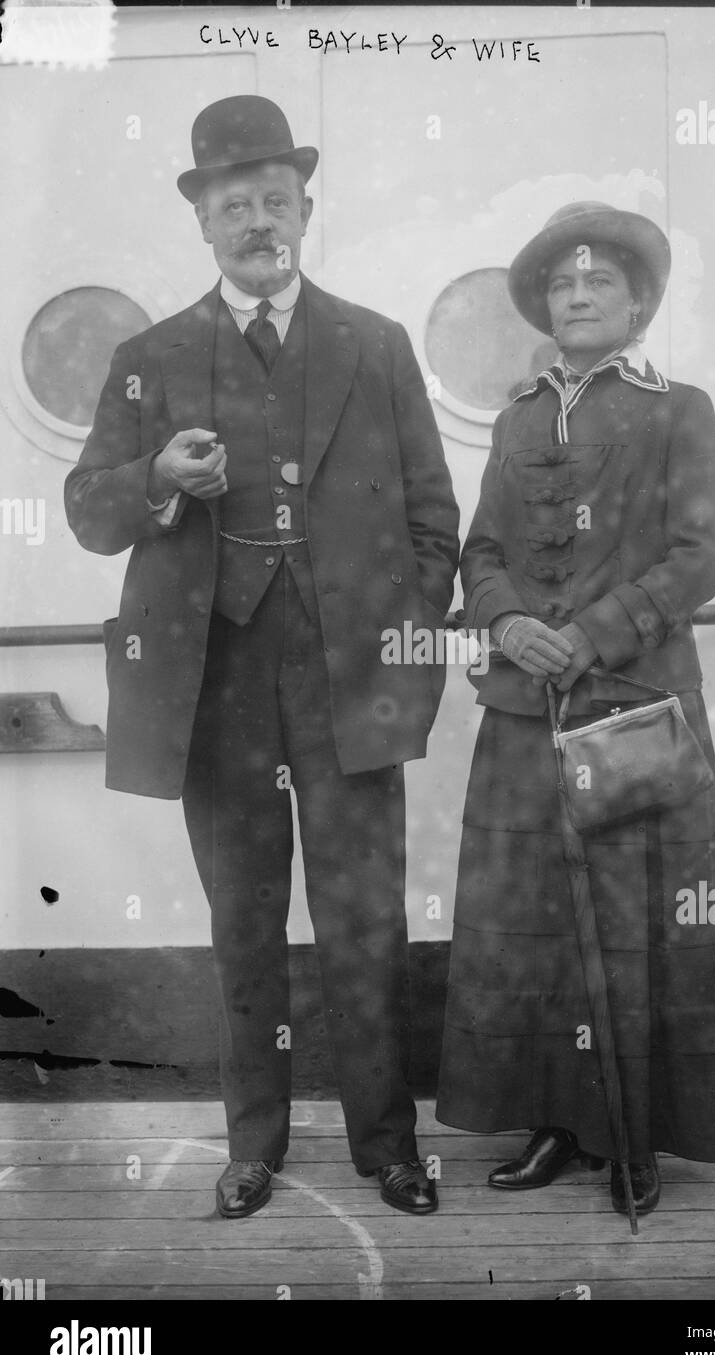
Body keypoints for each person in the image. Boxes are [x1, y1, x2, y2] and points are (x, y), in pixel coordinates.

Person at [65, 95, 460, 1218]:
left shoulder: (373, 344)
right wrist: (158, 483)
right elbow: (89, 511)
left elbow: (434, 516)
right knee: (243, 920)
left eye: (275, 199)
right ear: (203, 222)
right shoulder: (148, 358)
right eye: (233, 202)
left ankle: (389, 1144)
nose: (257, 220)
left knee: (364, 919)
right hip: (214, 683)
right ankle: (255, 1144)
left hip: (352, 684)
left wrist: (399, 625)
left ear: (305, 209)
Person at [436, 202, 715, 1217]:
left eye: (598, 283)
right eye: (562, 287)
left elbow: (698, 555)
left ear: (639, 304)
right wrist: (510, 618)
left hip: (635, 708)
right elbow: (478, 552)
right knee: (537, 926)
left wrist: (593, 632)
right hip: (525, 710)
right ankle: (558, 1125)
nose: (577, 298)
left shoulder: (678, 409)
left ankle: (637, 1134)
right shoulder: (520, 417)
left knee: (634, 921)